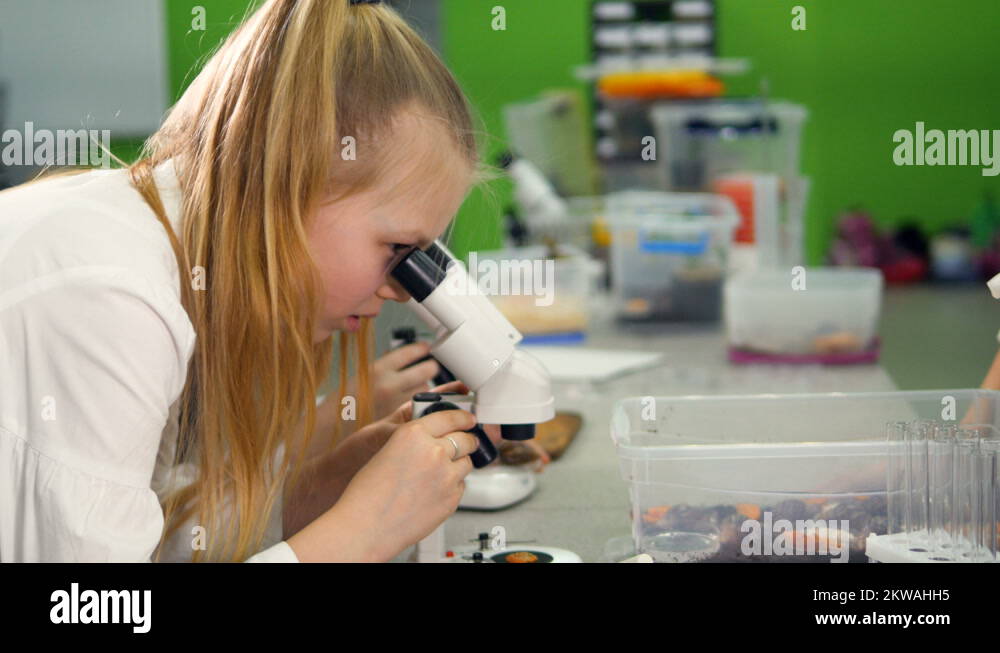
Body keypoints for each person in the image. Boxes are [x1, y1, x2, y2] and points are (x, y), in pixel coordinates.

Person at [0, 0, 494, 562]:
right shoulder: (109, 294)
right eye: (398, 249)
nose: (404, 289)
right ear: (289, 182)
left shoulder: (157, 253)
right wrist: (362, 532)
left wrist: (324, 491)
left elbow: (154, 534)